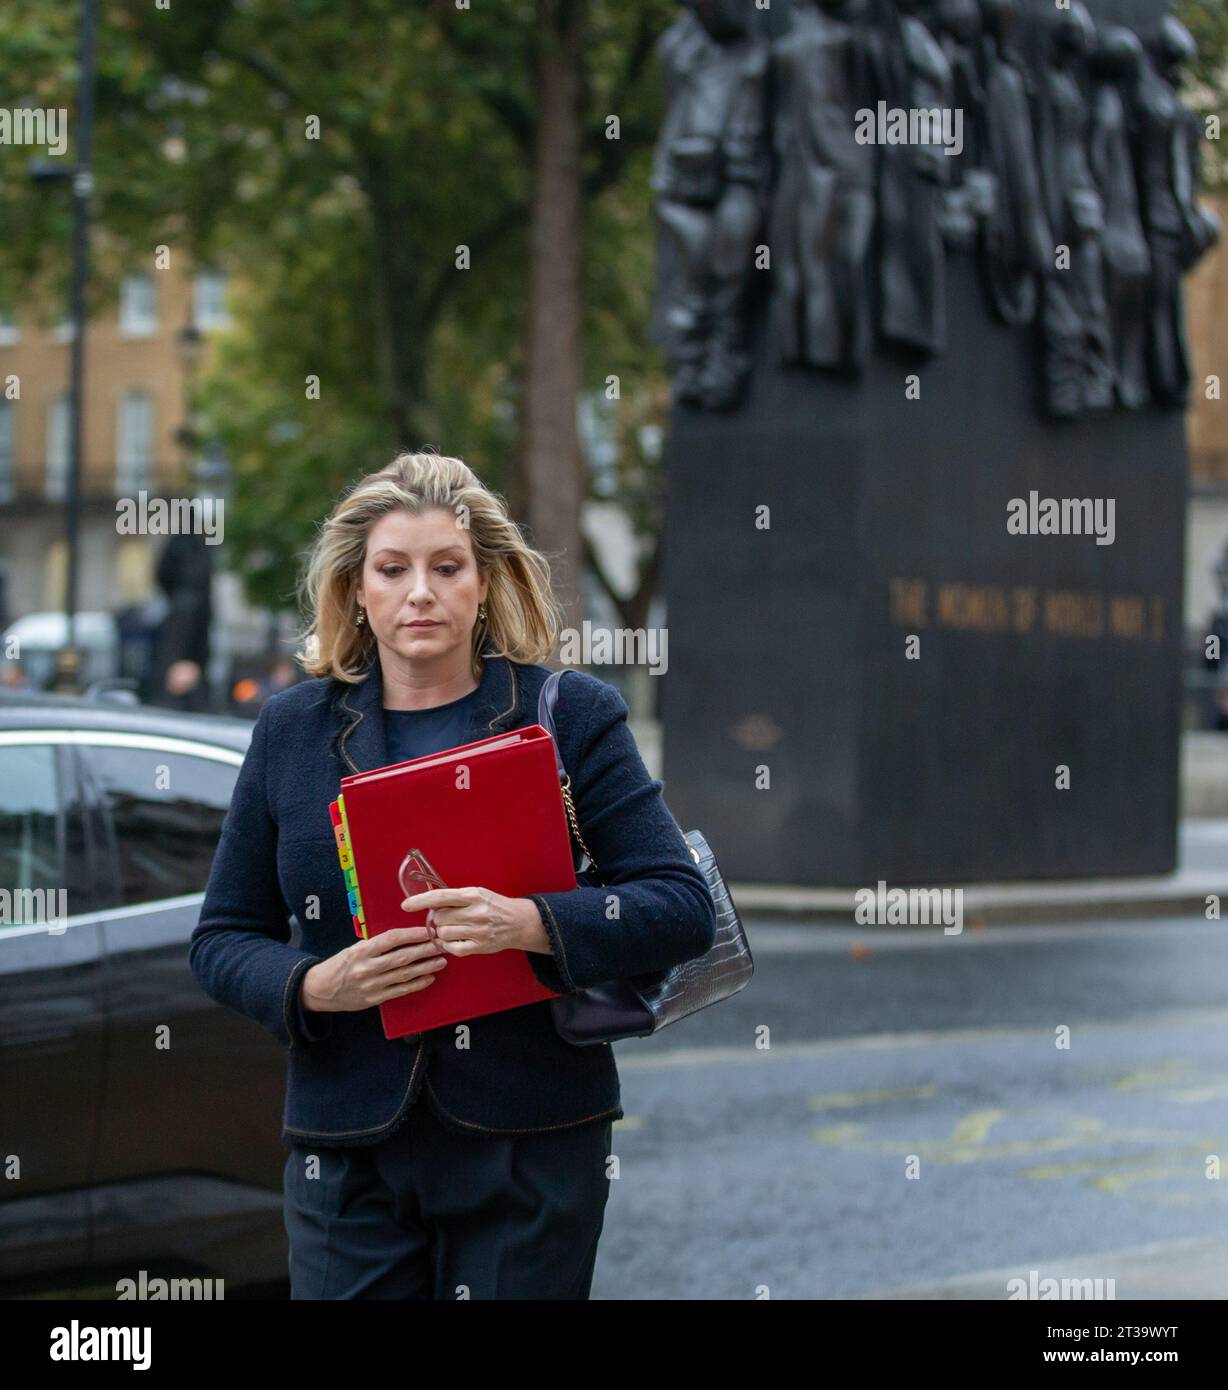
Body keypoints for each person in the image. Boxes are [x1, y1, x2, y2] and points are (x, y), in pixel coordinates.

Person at [188, 451, 716, 1300]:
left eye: (447, 567)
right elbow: (221, 938)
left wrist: (533, 923)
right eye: (393, 569)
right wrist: (313, 985)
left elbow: (680, 906)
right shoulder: (292, 729)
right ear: (358, 589)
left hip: (531, 1144)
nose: (420, 592)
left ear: (484, 581)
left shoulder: (571, 713)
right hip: (346, 1147)